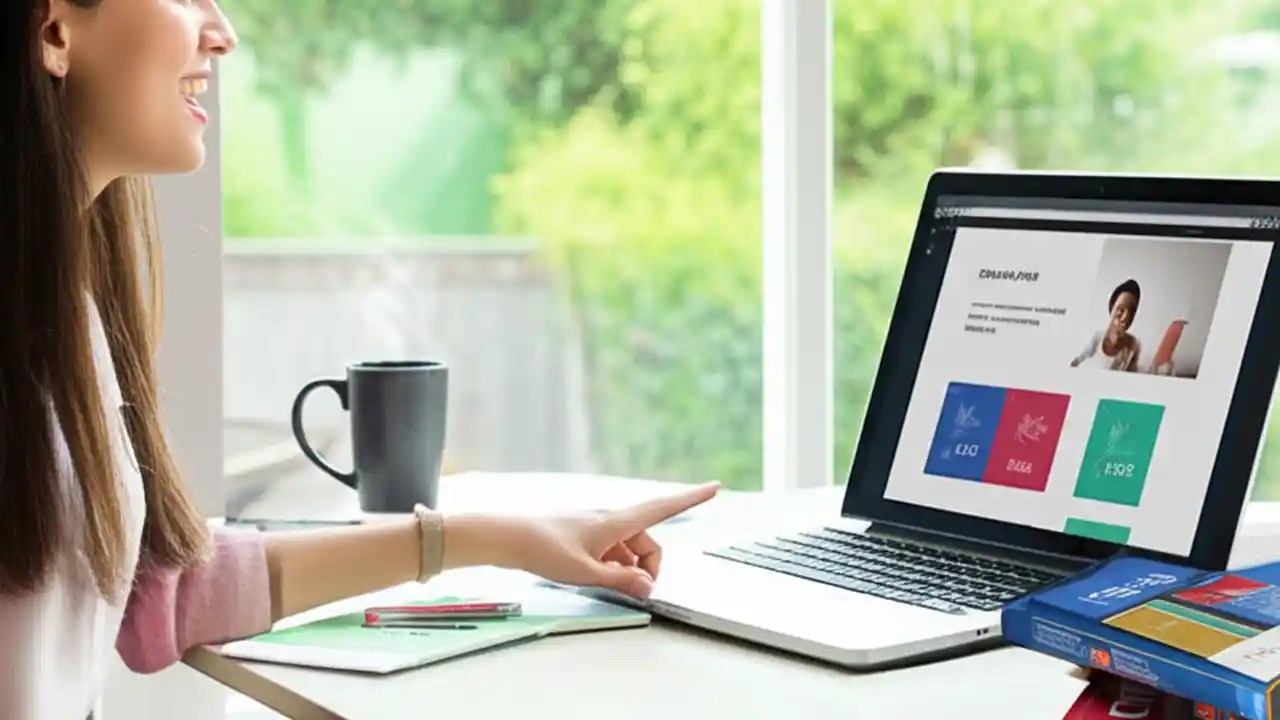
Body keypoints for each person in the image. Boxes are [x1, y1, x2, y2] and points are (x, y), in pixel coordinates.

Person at [0, 2, 719, 718]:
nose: (221, 33)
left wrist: (507, 537)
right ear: (55, 30)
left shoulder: (69, 313)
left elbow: (155, 592)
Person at [1070, 278, 1143, 373]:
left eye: (1132, 312)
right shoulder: (1098, 336)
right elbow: (1079, 359)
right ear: (1112, 309)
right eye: (1121, 310)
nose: (1126, 317)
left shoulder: (1134, 345)